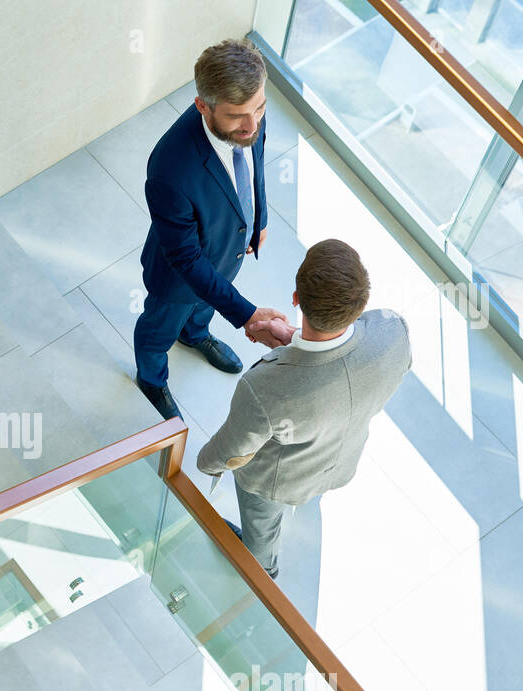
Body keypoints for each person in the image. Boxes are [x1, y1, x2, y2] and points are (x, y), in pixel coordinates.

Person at [196, 239, 412, 579]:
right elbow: (345, 356)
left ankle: (262, 569)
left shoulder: (265, 387)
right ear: (361, 301)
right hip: (341, 460)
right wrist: (297, 339)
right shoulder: (392, 330)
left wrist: (203, 464)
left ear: (295, 299)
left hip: (276, 482)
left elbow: (230, 453)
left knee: (262, 531)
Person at [134, 37, 295, 420]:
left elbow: (255, 168)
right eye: (238, 115)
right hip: (177, 277)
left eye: (260, 108)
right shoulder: (170, 171)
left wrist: (260, 221)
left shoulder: (250, 114)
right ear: (203, 106)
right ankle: (151, 379)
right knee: (158, 332)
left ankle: (195, 334)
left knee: (206, 303)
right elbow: (187, 261)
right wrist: (247, 314)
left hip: (226, 254)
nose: (252, 124)